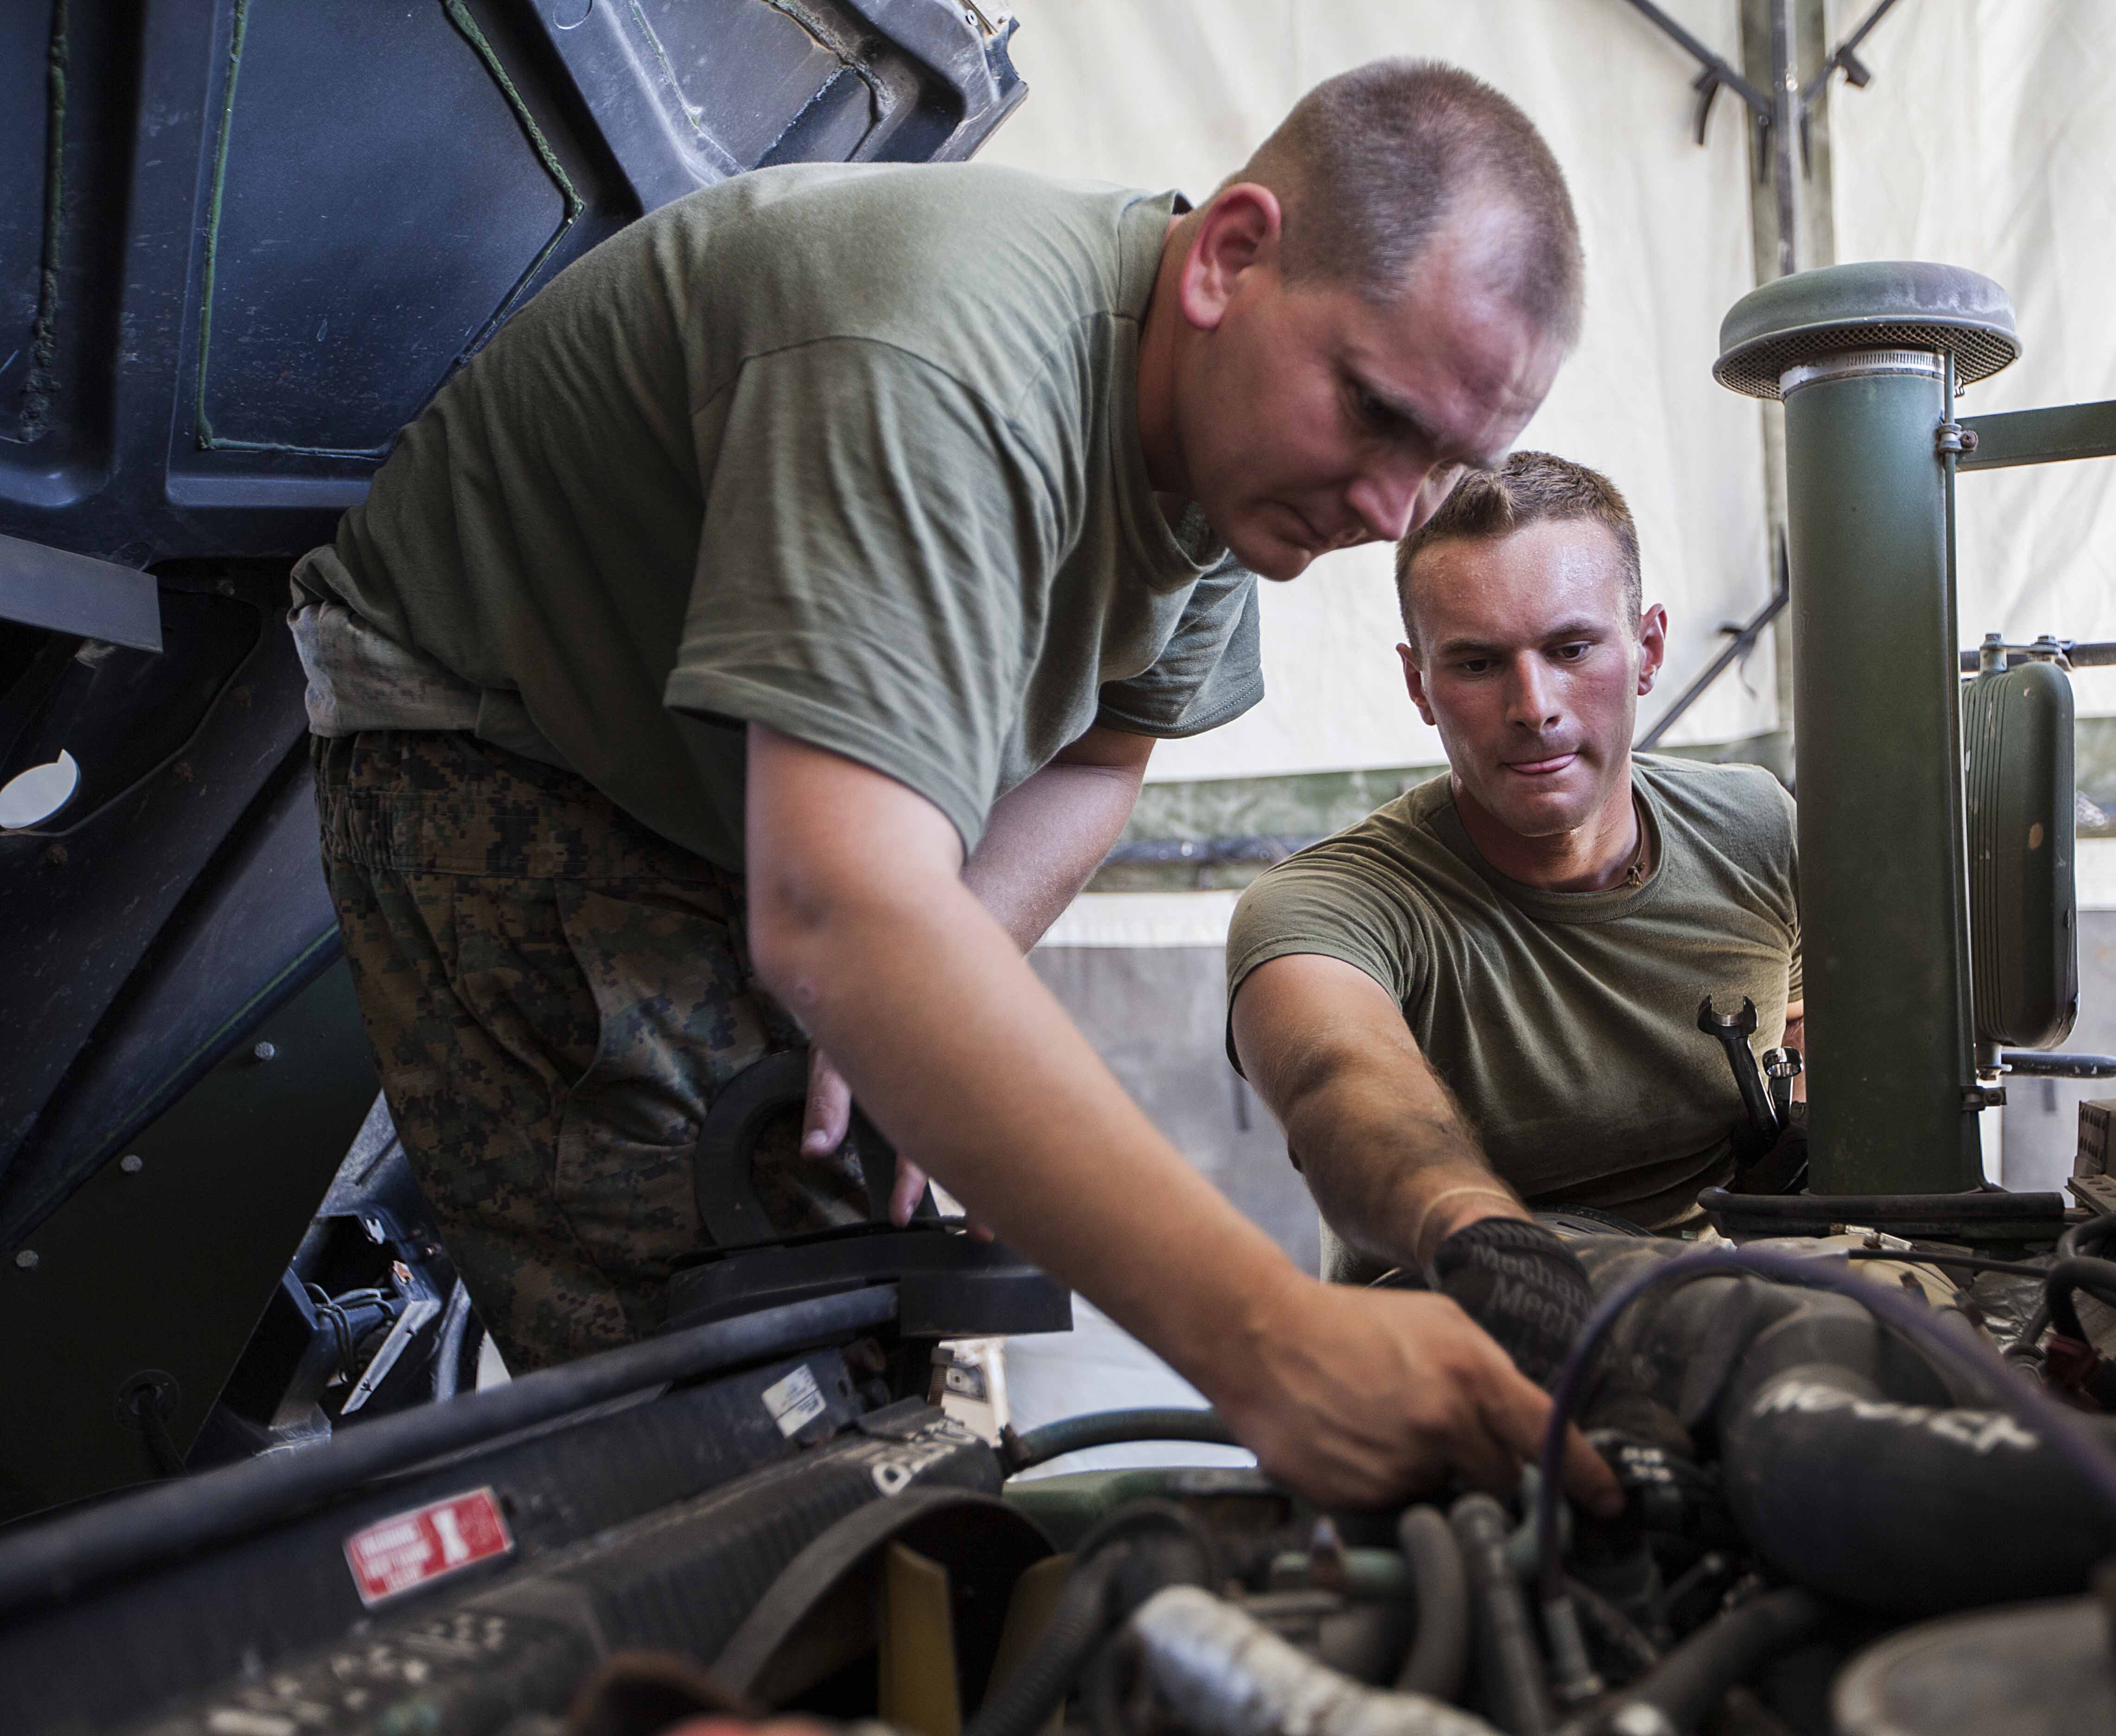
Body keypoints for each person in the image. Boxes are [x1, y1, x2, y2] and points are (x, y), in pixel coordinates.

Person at [292, 60, 1615, 1511]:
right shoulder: (941, 363)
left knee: (853, 1313)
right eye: (1372, 410)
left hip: (756, 809)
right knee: (719, 1381)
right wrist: (1270, 1339)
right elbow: (841, 919)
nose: (1387, 510)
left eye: (1445, 464)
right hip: (517, 748)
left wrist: (921, 987)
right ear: (1232, 257)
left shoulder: (1229, 454)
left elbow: (1103, 752)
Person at [1225, 453, 1803, 1339]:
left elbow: (1810, 1032)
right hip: (1447, 1347)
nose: (1533, 706)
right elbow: (1347, 1093)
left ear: (1647, 650)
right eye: (1478, 663)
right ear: (1419, 684)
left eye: (1571, 650)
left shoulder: (1757, 831)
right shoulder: (1326, 908)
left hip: (1724, 1326)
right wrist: (1489, 1247)